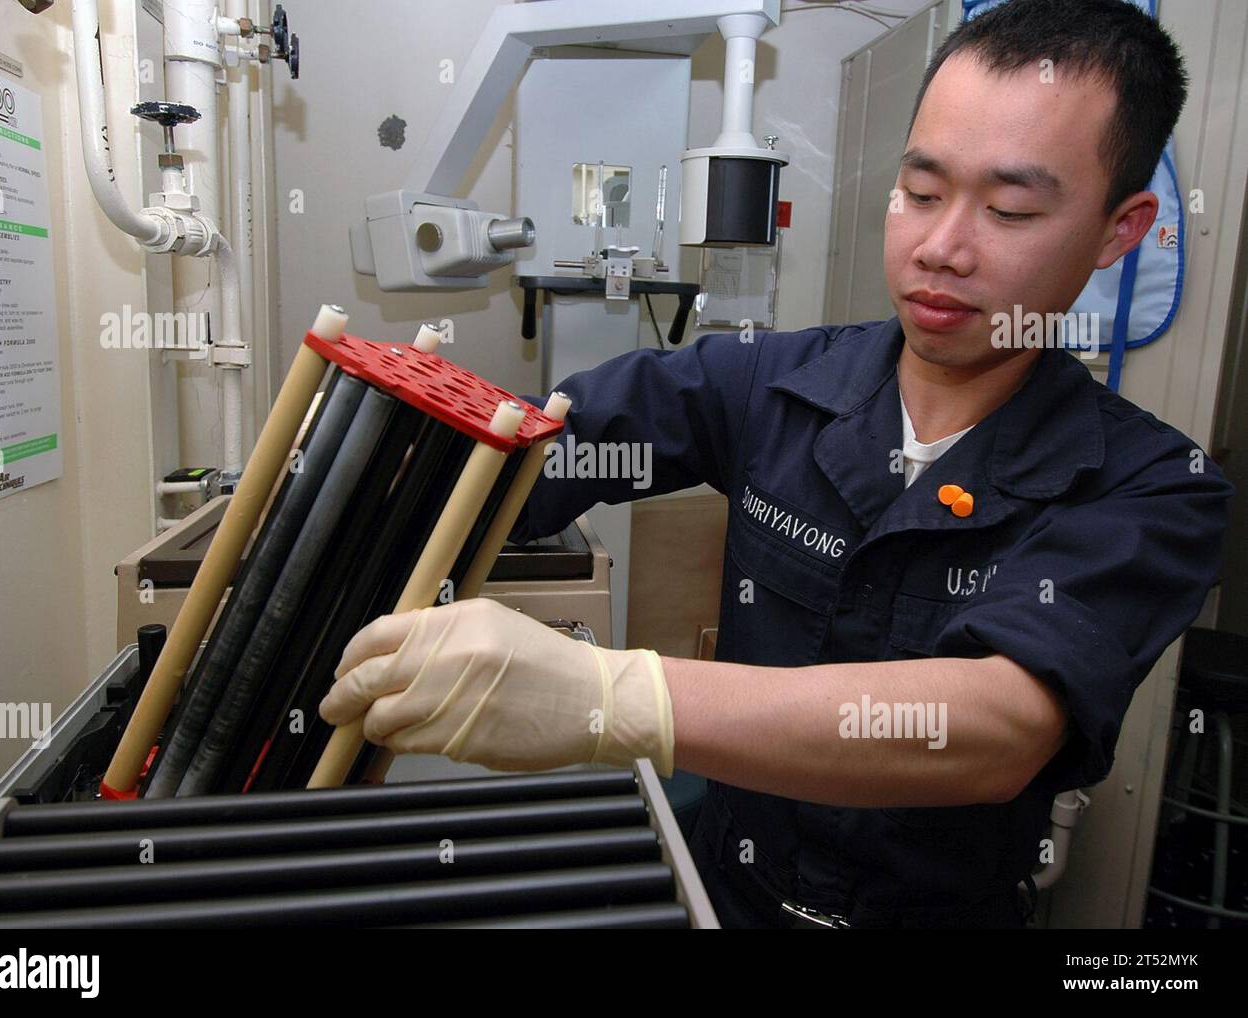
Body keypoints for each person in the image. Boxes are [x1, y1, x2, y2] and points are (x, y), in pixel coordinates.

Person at [319, 0, 1233, 928]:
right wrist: (357, 493)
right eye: (919, 193)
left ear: (1123, 228)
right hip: (730, 900)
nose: (940, 248)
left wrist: (615, 694)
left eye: (1009, 210)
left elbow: (994, 726)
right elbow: (536, 451)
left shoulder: (1150, 489)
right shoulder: (766, 384)